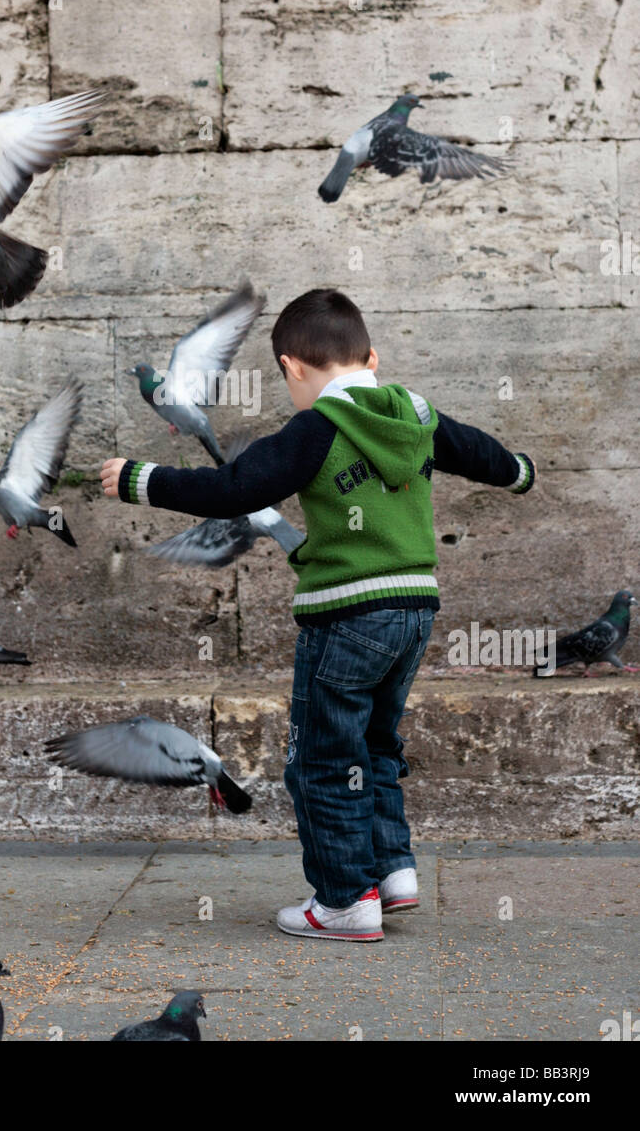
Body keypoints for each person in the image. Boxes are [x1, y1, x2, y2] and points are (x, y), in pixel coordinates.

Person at [100, 289, 535, 942]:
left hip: (348, 617)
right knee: (376, 744)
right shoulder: (415, 412)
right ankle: (393, 873)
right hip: (414, 612)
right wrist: (521, 473)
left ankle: (343, 900)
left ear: (292, 368)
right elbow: (478, 451)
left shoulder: (316, 428)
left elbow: (236, 490)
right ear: (373, 357)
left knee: (324, 760)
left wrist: (143, 479)